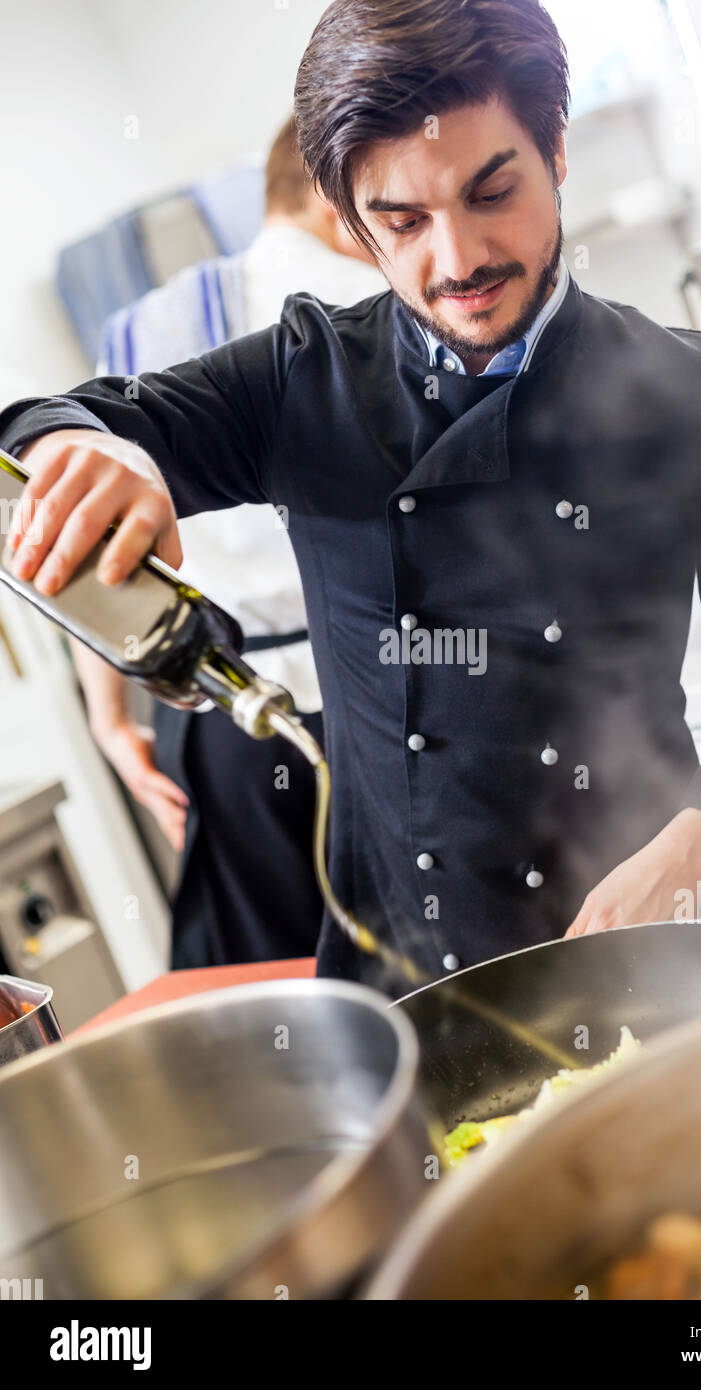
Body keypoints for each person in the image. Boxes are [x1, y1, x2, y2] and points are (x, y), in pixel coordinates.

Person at [0, 0, 701, 999]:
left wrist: (690, 849)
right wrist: (94, 448)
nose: (458, 262)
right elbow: (53, 415)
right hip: (396, 976)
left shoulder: (688, 387)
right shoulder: (302, 378)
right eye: (401, 222)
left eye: (492, 192)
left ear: (555, 152)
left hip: (635, 939)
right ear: (348, 219)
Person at [71, 115, 386, 969]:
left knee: (274, 988)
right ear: (336, 192)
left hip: (217, 710)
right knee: (446, 971)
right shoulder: (390, 310)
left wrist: (111, 719)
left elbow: (97, 534)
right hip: (390, 700)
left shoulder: (138, 328)